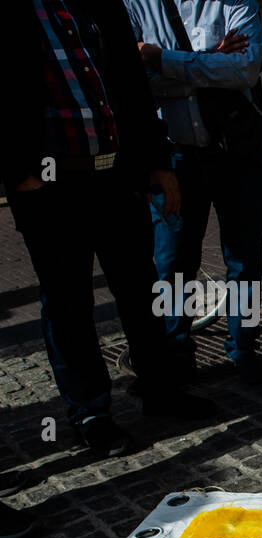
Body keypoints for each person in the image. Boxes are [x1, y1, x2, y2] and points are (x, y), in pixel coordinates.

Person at [4, 0, 217, 458]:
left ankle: (159, 389)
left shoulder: (99, 3)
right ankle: (91, 414)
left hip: (116, 174)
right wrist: (16, 168)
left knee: (141, 290)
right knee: (68, 302)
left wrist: (156, 165)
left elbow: (131, 85)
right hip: (50, 183)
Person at [124, 0, 262, 385]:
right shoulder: (136, 6)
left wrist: (162, 60)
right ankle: (175, 349)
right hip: (174, 156)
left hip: (237, 151)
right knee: (173, 262)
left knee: (246, 260)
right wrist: (209, 63)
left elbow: (245, 68)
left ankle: (245, 345)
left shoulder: (236, 3)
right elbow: (132, 82)